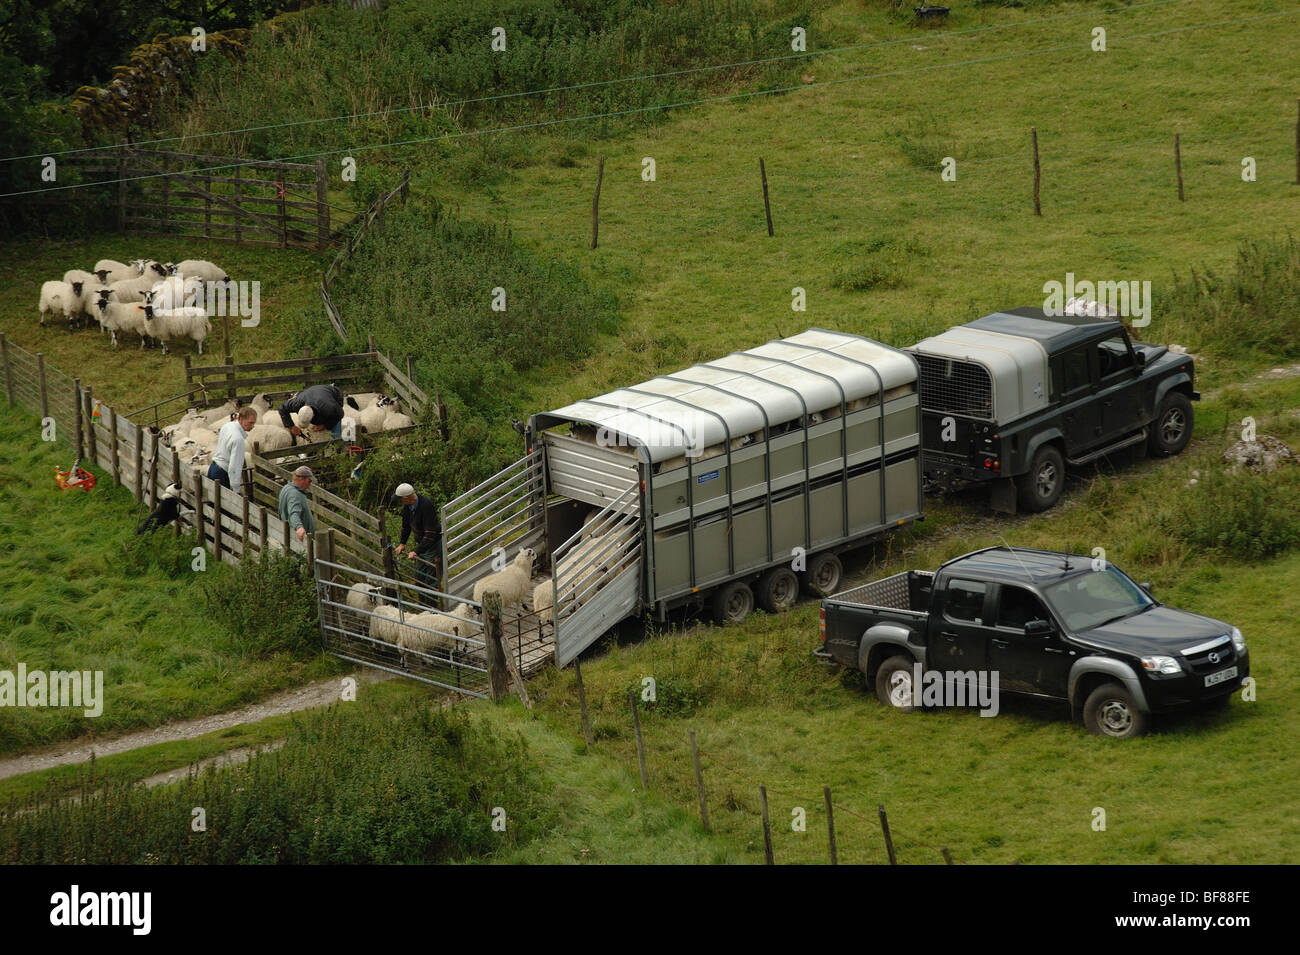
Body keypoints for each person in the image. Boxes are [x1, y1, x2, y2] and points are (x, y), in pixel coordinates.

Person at [393, 482, 441, 591]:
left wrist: (416, 551)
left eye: (400, 499)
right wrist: (402, 544)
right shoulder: (407, 507)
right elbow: (406, 526)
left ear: (406, 498)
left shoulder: (426, 505)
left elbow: (430, 533)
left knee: (432, 579)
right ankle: (422, 604)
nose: (400, 502)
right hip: (422, 545)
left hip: (433, 545)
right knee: (419, 577)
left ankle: (432, 605)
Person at [208, 406, 257, 491]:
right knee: (223, 503)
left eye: (254, 423)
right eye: (250, 423)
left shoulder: (227, 426)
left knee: (213, 502)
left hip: (213, 468)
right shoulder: (238, 439)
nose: (252, 426)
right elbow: (234, 466)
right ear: (241, 419)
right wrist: (235, 489)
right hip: (222, 473)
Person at [277, 384, 346, 439]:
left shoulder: (330, 407)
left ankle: (337, 445)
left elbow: (340, 414)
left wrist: (325, 425)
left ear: (313, 415)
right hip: (312, 393)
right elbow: (282, 408)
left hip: (333, 394)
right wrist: (291, 426)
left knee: (334, 426)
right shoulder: (296, 403)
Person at [278, 465, 316, 543]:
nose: (309, 484)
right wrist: (299, 527)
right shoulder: (295, 494)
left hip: (289, 536)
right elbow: (293, 513)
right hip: (298, 541)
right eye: (309, 481)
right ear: (301, 479)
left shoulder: (286, 488)